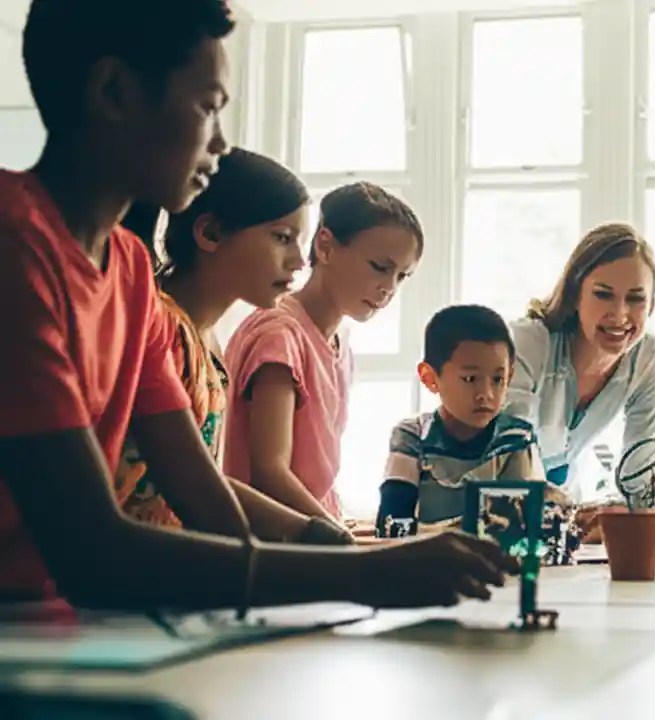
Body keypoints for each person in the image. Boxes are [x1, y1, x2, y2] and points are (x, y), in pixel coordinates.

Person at [0, 0, 511, 611]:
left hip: (59, 626)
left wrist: (329, 543)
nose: (218, 143)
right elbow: (92, 551)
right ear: (113, 91)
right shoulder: (13, 245)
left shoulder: (132, 273)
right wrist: (362, 578)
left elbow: (203, 493)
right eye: (208, 108)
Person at [115, 148, 351, 544]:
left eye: (300, 241)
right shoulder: (162, 326)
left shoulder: (207, 339)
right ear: (209, 233)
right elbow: (188, 483)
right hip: (134, 566)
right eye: (282, 238)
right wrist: (316, 536)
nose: (299, 260)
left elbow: (207, 478)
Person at [223, 182, 423, 521]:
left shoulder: (340, 343)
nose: (389, 288)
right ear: (326, 247)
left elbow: (314, 481)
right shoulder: (279, 336)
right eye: (380, 267)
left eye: (402, 276)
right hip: (273, 542)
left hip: (314, 530)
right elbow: (269, 473)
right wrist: (338, 539)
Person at [506, 223, 655, 502]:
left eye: (636, 299)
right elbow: (512, 452)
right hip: (490, 505)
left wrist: (626, 512)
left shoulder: (648, 358)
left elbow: (641, 465)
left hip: (565, 504)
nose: (619, 314)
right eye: (603, 294)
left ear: (651, 305)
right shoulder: (529, 342)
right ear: (575, 294)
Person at [376, 304, 567, 536]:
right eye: (470, 378)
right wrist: (462, 530)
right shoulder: (413, 436)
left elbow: (528, 528)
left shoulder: (515, 439)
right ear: (430, 378)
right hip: (426, 564)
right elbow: (391, 525)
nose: (485, 393)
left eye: (498, 379)